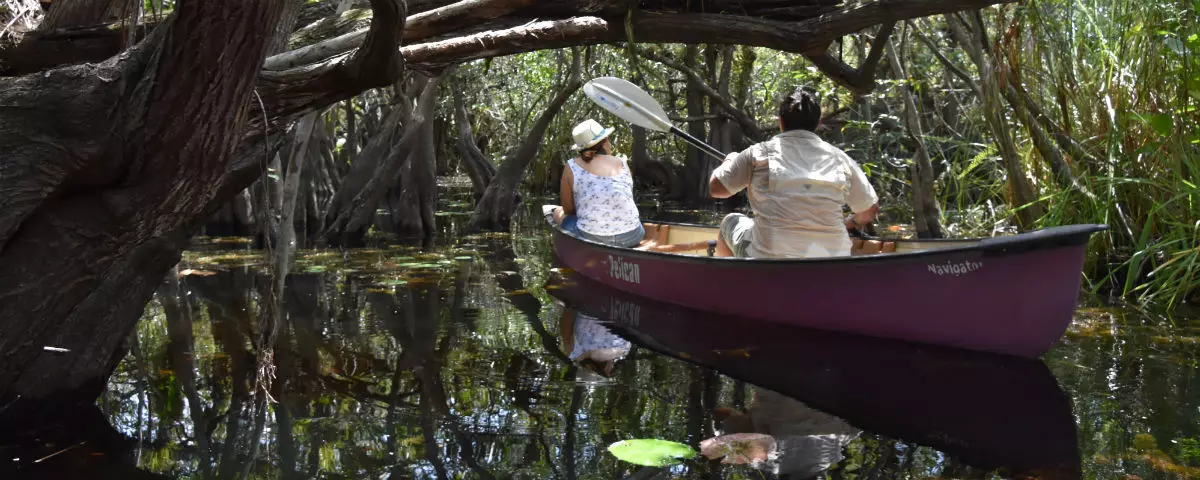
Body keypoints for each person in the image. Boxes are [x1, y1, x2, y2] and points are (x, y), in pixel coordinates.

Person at [709, 86, 880, 259]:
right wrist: (851, 222)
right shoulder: (840, 159)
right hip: (832, 262)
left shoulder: (758, 153)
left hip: (768, 261)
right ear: (818, 123)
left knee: (729, 222)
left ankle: (732, 284)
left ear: (780, 122)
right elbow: (870, 209)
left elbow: (717, 189)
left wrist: (730, 160)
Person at [551, 119, 646, 248]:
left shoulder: (572, 166)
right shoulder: (622, 162)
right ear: (604, 142)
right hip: (633, 236)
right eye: (608, 139)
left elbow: (568, 210)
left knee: (558, 213)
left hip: (592, 236)